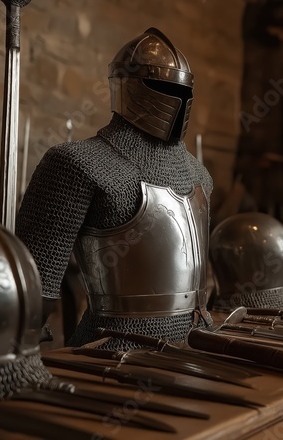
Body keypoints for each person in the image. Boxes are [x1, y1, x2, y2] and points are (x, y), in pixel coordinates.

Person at [17, 28, 212, 349]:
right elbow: (33, 287)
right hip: (114, 349)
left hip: (199, 341)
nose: (176, 100)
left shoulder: (199, 174)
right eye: (162, 88)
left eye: (182, 91)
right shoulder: (75, 163)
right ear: (127, 87)